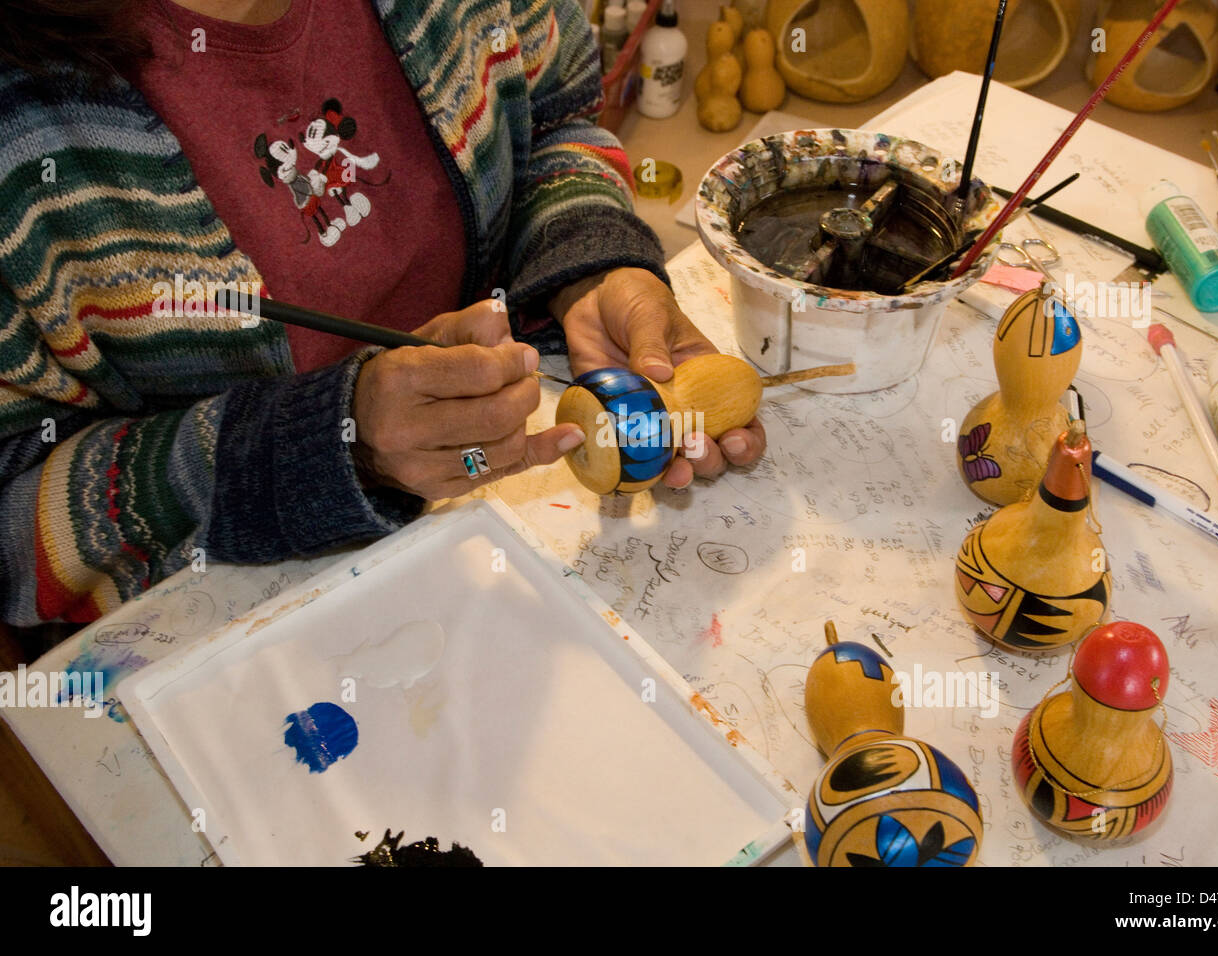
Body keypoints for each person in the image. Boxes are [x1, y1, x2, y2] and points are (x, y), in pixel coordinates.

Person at [0, 0, 766, 630]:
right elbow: (11, 529)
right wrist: (322, 445)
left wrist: (586, 263)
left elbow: (560, 117)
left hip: (508, 593)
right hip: (230, 669)